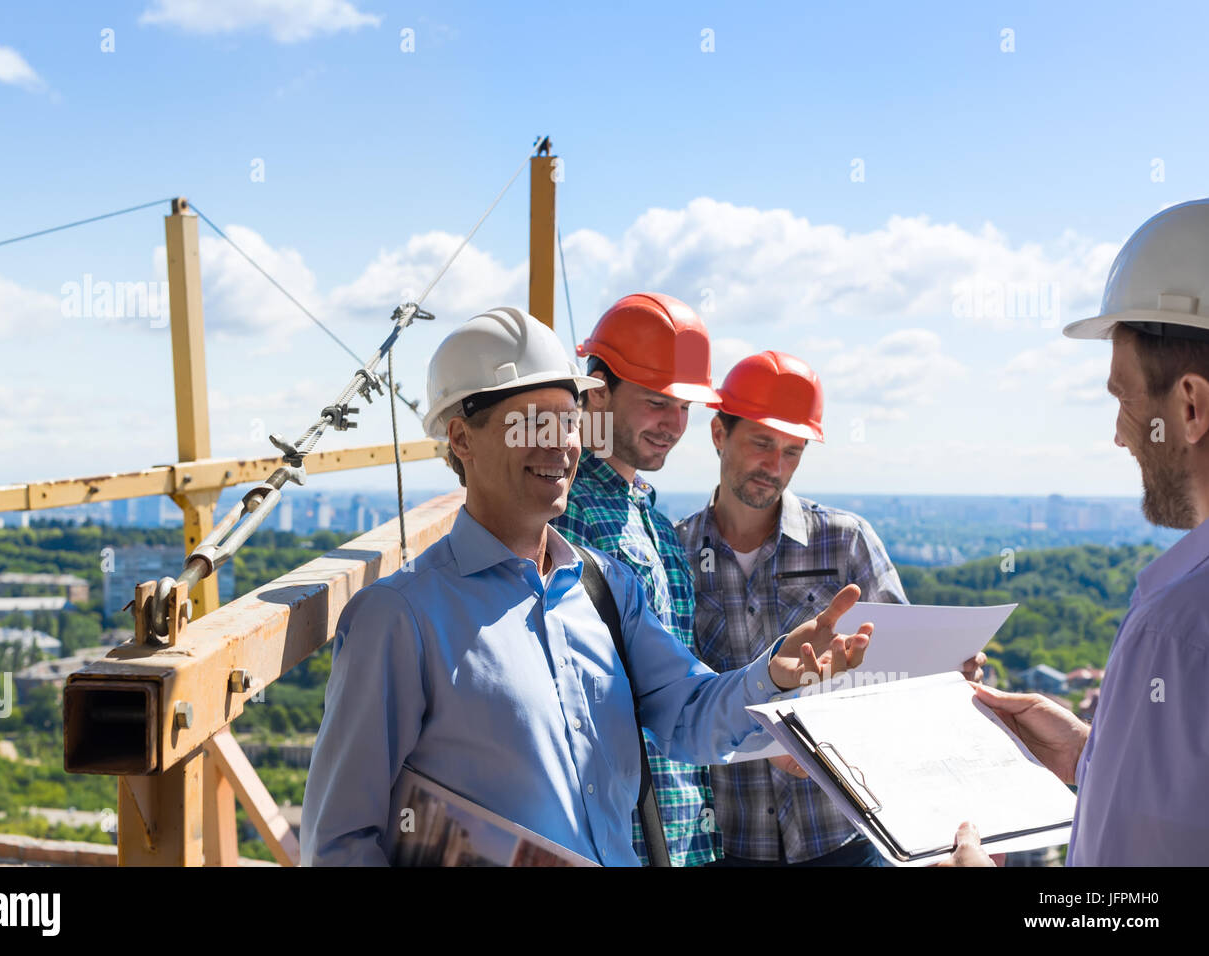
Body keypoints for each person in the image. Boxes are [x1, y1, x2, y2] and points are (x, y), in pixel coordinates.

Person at [299, 307, 872, 866]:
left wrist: (771, 675)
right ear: (461, 438)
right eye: (532, 423)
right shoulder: (399, 619)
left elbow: (690, 713)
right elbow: (341, 841)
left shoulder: (606, 589)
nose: (562, 443)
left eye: (568, 420)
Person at [947, 198, 1209, 866]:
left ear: (1189, 405)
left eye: (1124, 400)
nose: (1119, 434)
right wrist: (1090, 755)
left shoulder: (1177, 632)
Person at [677, 350, 986, 867]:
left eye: (793, 452)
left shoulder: (845, 543)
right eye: (761, 444)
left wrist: (947, 670)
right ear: (718, 434)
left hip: (844, 837)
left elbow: (901, 676)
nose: (775, 468)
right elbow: (675, 701)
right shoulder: (675, 553)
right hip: (726, 842)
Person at [551, 292, 725, 866]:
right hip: (618, 835)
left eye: (685, 409)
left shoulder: (646, 509)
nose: (674, 426)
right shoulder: (564, 510)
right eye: (657, 403)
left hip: (678, 824)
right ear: (597, 392)